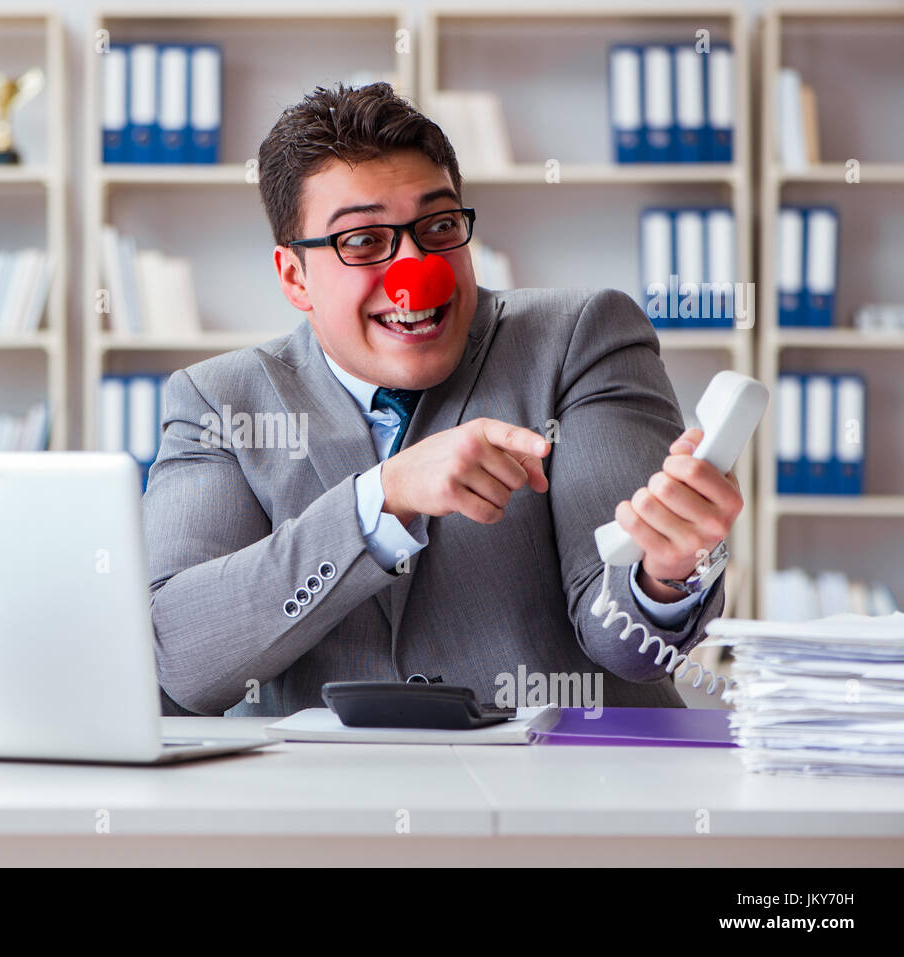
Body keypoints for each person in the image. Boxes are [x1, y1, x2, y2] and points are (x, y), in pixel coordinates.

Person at [143, 83, 741, 717]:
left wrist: (664, 575)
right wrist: (379, 502)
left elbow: (630, 647)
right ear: (295, 276)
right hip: (321, 805)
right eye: (364, 240)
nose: (417, 270)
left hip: (559, 795)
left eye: (439, 226)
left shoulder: (580, 338)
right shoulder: (219, 402)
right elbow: (184, 661)